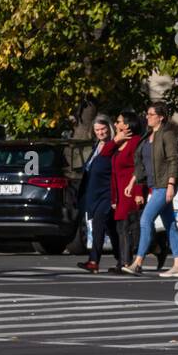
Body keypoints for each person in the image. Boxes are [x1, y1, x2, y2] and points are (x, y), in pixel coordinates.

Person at [122, 102, 178, 278]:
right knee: (170, 225)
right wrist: (131, 182)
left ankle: (138, 262)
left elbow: (174, 159)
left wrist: (172, 185)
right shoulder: (148, 136)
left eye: (151, 114)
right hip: (154, 185)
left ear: (161, 117)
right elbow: (142, 164)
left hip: (164, 186)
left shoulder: (167, 134)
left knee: (145, 220)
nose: (147, 117)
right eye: (147, 114)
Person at [77, 116, 120, 273]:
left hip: (107, 193)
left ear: (109, 128)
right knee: (110, 228)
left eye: (103, 129)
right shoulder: (97, 146)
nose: (101, 132)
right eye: (97, 130)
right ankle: (122, 259)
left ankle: (94, 261)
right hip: (94, 194)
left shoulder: (114, 146)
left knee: (98, 226)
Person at [110, 110, 146, 272]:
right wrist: (115, 141)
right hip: (119, 192)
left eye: (119, 121)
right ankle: (123, 261)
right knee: (120, 227)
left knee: (126, 226)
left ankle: (127, 262)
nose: (116, 124)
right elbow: (104, 155)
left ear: (128, 124)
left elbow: (140, 167)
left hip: (130, 191)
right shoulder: (118, 142)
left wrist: (138, 191)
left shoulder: (136, 141)